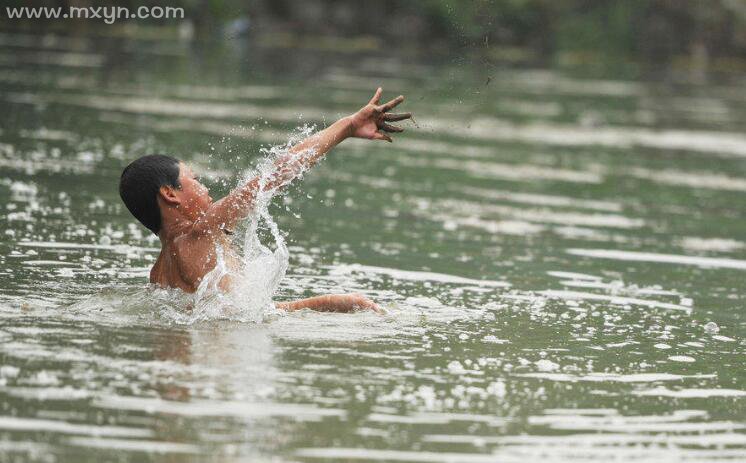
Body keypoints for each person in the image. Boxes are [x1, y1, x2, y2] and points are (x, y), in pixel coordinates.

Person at [119, 88, 410, 313]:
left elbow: (226, 314)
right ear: (170, 194)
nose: (205, 187)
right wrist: (347, 126)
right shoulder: (201, 233)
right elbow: (276, 174)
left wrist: (326, 303)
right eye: (194, 179)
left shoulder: (158, 273)